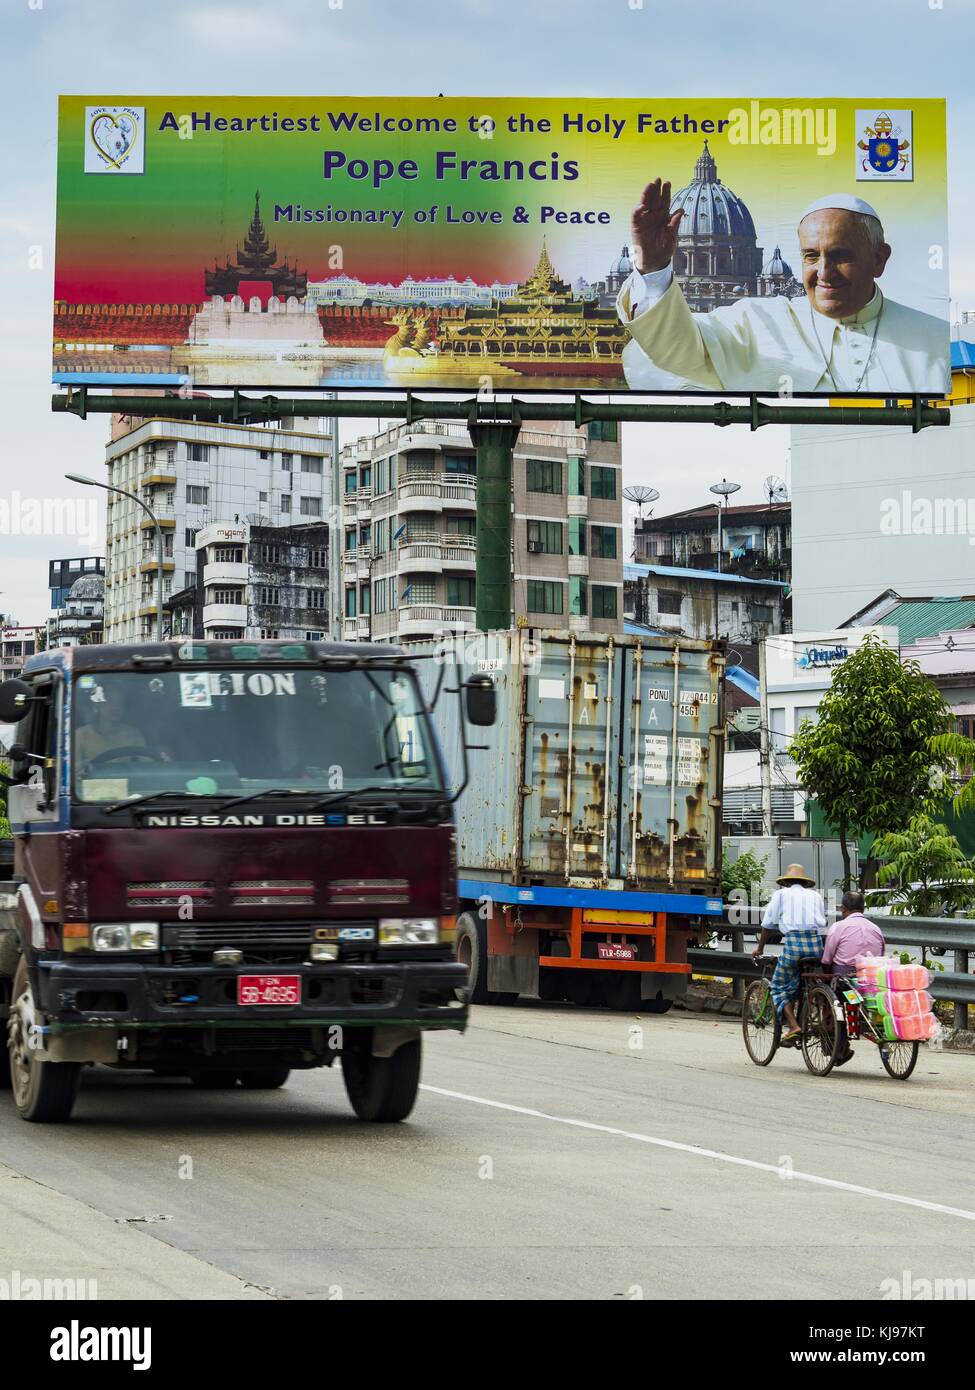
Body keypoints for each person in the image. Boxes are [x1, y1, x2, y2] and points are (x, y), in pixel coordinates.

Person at [618, 179, 948, 394]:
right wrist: (655, 267)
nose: (824, 272)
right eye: (810, 256)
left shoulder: (938, 342)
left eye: (840, 256)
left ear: (879, 260)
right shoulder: (754, 321)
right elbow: (676, 352)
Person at [751, 863, 827, 1043]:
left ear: (786, 882)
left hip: (794, 944)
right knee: (802, 978)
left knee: (778, 986)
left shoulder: (781, 895)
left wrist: (760, 948)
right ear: (804, 881)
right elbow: (822, 922)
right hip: (816, 944)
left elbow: (768, 924)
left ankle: (794, 1026)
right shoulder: (815, 895)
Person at [820, 889, 886, 1066]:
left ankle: (837, 1045)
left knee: (830, 995)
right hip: (871, 978)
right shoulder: (876, 929)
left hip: (844, 979)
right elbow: (881, 955)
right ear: (862, 908)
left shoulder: (838, 927)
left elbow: (827, 958)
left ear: (844, 909)